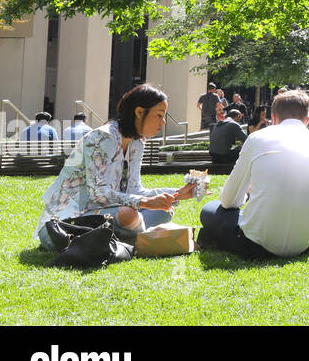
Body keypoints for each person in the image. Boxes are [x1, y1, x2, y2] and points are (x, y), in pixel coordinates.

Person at [35, 85, 199, 250]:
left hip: (105, 215)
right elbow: (97, 195)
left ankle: (132, 238)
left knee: (164, 209)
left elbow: (134, 190)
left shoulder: (137, 143)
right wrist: (146, 202)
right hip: (63, 225)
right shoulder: (102, 137)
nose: (163, 122)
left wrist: (177, 194)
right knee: (128, 214)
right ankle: (143, 240)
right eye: (159, 115)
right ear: (139, 112)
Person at [198, 89, 309, 259]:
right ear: (307, 120)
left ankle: (216, 238)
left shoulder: (256, 139)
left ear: (273, 118)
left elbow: (229, 201)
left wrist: (248, 194)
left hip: (255, 246)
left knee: (209, 209)